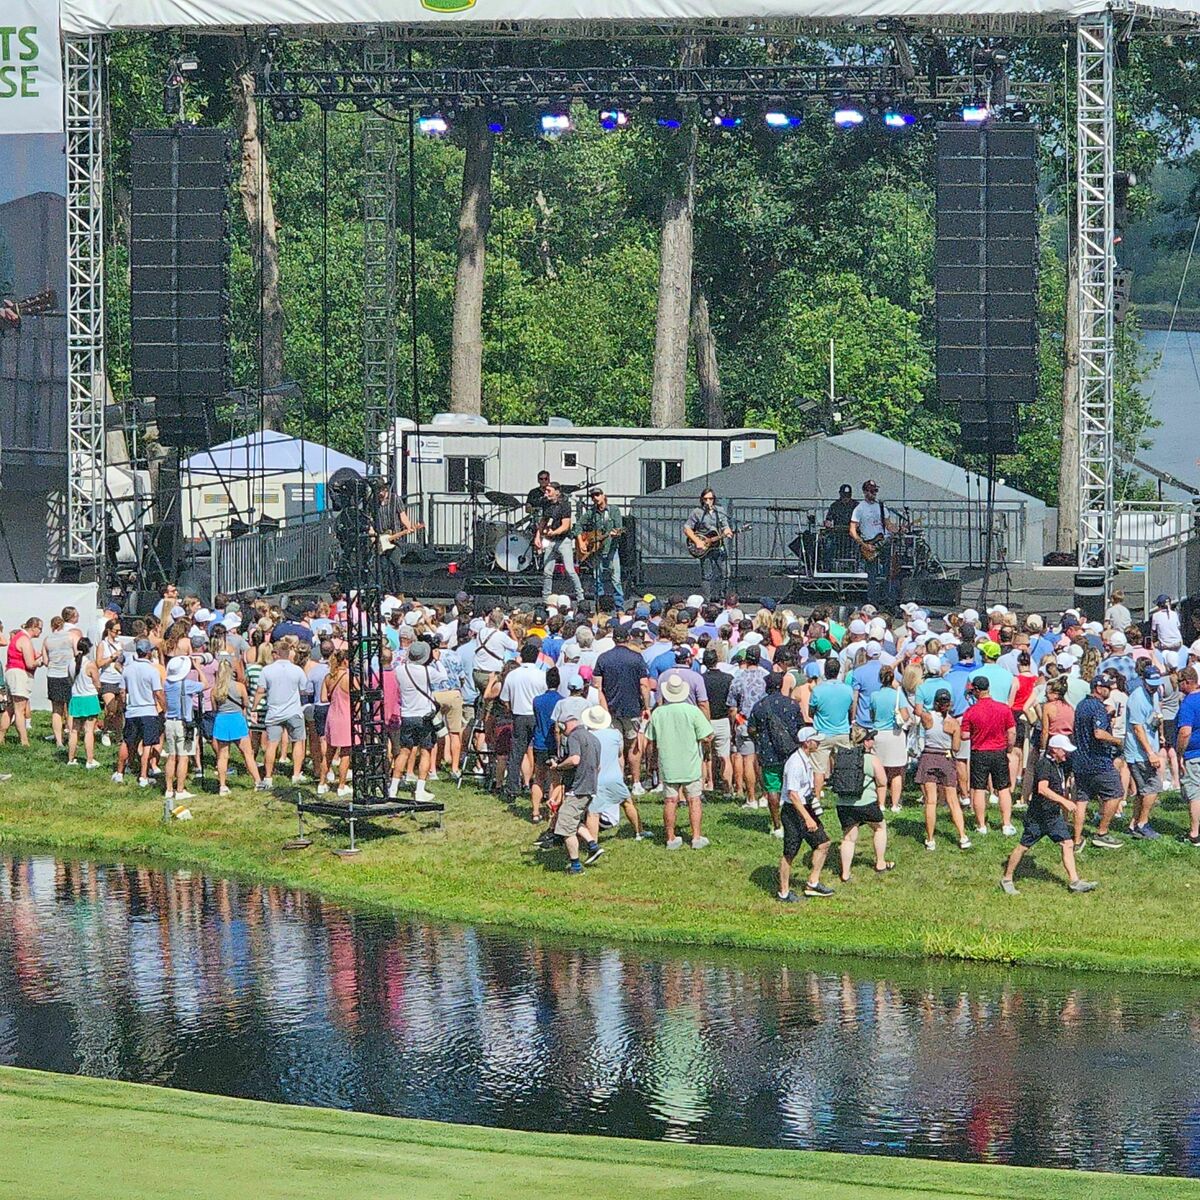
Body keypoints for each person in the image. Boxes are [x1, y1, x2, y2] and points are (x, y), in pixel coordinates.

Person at [1001, 734, 1099, 895]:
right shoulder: (1044, 765)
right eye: (1064, 751)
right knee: (1023, 847)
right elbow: (1042, 789)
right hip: (1038, 816)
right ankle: (1007, 878)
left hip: (1053, 816)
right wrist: (1064, 802)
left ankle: (1075, 881)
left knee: (1067, 843)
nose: (1066, 754)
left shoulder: (1058, 765)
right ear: (1054, 750)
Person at [645, 673, 713, 849]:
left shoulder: (658, 713)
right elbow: (707, 735)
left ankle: (670, 838)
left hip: (668, 762)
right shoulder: (692, 711)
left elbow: (650, 741)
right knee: (694, 799)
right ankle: (696, 837)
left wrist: (651, 762)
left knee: (670, 800)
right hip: (689, 761)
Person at [954, 674, 1016, 837]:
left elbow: (964, 735)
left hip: (979, 752)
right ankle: (1006, 824)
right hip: (999, 751)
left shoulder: (971, 711)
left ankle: (981, 825)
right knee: (1003, 788)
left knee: (979, 789)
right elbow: (1011, 732)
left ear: (976, 690)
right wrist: (1008, 749)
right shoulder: (1003, 708)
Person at [777, 727, 834, 902]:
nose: (818, 742)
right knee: (790, 853)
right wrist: (807, 818)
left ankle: (812, 883)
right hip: (794, 811)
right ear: (806, 742)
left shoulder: (806, 759)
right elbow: (793, 794)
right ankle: (784, 892)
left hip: (805, 807)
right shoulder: (794, 763)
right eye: (816, 740)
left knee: (823, 843)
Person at [593, 625, 651, 793]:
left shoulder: (603, 658)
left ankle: (618, 781)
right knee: (634, 746)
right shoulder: (636, 658)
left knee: (616, 747)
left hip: (610, 709)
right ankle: (636, 783)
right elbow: (644, 685)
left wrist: (603, 708)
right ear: (628, 638)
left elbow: (597, 686)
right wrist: (647, 707)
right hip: (632, 709)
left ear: (613, 639)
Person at [1072, 671, 1126, 849]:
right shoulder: (1098, 708)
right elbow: (1098, 733)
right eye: (1106, 687)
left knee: (1082, 800)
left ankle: (1077, 839)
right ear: (1097, 688)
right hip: (1097, 760)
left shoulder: (1081, 705)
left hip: (1080, 760)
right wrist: (1118, 741)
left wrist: (1106, 717)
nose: (1110, 689)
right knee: (1116, 792)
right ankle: (1102, 832)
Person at [747, 672, 802, 838]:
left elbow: (751, 729)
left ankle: (778, 825)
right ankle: (796, 821)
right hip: (790, 753)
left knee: (772, 788)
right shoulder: (792, 704)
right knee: (793, 787)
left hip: (768, 753)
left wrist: (759, 740)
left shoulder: (759, 706)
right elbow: (800, 727)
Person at [548, 709, 603, 874]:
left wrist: (558, 766)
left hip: (578, 789)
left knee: (565, 827)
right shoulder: (594, 739)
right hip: (590, 787)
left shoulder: (573, 737)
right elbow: (597, 766)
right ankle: (592, 846)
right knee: (572, 820)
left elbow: (575, 759)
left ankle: (576, 866)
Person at [916, 688, 970, 850]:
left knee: (931, 801)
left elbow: (917, 710)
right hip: (945, 759)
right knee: (953, 800)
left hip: (928, 757)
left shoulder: (927, 718)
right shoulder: (954, 723)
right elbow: (956, 747)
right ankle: (962, 836)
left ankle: (931, 839)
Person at [834, 733, 893, 881]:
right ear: (865, 742)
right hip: (866, 802)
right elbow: (883, 781)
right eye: (871, 738)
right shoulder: (871, 759)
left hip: (844, 803)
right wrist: (881, 802)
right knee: (880, 827)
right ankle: (880, 863)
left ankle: (845, 873)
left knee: (848, 838)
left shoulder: (841, 758)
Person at [581, 704, 646, 840]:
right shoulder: (615, 734)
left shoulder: (587, 737)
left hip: (597, 779)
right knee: (627, 803)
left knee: (593, 813)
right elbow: (619, 753)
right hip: (615, 777)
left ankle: (593, 843)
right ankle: (639, 832)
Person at [253, 641, 310, 789]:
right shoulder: (297, 670)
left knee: (272, 744)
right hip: (294, 711)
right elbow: (305, 690)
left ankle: (268, 777)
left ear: (276, 654)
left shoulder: (267, 670)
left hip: (274, 712)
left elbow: (260, 691)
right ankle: (296, 774)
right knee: (297, 742)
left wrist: (253, 708)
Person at [391, 639, 438, 803]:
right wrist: (437, 660)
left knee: (404, 751)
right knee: (426, 751)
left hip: (407, 714)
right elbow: (443, 678)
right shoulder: (428, 671)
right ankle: (420, 789)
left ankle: (393, 788)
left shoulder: (399, 670)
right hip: (424, 716)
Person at [113, 639, 164, 787]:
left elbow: (122, 692)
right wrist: (166, 709)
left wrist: (124, 706)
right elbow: (158, 693)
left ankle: (119, 772)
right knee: (147, 744)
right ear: (149, 653)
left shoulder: (127, 669)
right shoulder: (152, 670)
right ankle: (143, 776)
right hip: (148, 710)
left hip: (132, 710)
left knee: (127, 741)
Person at [500, 641, 548, 799]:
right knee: (541, 751)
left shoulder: (513, 675)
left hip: (519, 715)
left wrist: (511, 709)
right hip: (537, 715)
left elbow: (504, 699)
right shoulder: (541, 675)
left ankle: (512, 788)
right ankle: (542, 786)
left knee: (517, 753)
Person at [1124, 661, 1164, 840]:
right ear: (1143, 680)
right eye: (1151, 685)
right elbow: (1138, 728)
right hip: (1140, 752)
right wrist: (1150, 753)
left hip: (1151, 745)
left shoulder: (1154, 693)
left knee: (1142, 790)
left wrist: (1159, 734)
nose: (1154, 689)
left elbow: (1155, 716)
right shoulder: (1137, 698)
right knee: (1153, 787)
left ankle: (1134, 823)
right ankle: (1143, 823)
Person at [211, 658, 260, 795]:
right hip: (237, 720)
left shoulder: (215, 690)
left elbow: (214, 708)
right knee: (247, 754)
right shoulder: (239, 686)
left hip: (221, 720)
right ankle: (257, 781)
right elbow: (245, 702)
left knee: (222, 755)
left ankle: (222, 785)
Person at [848, 480, 899, 610]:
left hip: (883, 542)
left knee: (890, 572)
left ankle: (890, 601)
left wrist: (897, 529)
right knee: (872, 575)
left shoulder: (881, 506)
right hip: (869, 543)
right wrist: (863, 544)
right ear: (865, 492)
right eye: (871, 491)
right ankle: (872, 602)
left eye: (875, 491)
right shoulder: (859, 508)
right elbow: (852, 530)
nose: (874, 493)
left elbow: (888, 524)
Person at [534, 482, 585, 604]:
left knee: (570, 570)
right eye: (546, 491)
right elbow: (543, 521)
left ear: (557, 492)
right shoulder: (546, 504)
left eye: (549, 491)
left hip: (563, 541)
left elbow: (566, 526)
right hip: (551, 541)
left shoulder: (565, 505)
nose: (546, 493)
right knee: (547, 571)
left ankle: (580, 597)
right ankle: (546, 600)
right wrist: (537, 536)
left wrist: (554, 532)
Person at [577, 487, 625, 610]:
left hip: (611, 549)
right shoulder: (591, 512)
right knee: (597, 579)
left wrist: (616, 533)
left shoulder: (613, 510)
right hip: (597, 550)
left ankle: (619, 607)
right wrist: (581, 541)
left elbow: (619, 528)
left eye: (597, 495)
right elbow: (578, 525)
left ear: (603, 495)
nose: (595, 498)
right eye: (593, 496)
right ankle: (601, 605)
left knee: (616, 579)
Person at [684, 488, 733, 602]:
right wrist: (697, 541)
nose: (708, 501)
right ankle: (707, 601)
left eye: (710, 499)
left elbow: (725, 525)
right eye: (705, 499)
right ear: (702, 500)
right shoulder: (697, 512)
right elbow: (687, 528)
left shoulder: (719, 511)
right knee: (707, 575)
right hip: (704, 547)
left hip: (718, 545)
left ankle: (722, 598)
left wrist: (728, 531)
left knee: (726, 572)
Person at [1, 618, 42, 747]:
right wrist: (40, 662)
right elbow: (30, 663)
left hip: (11, 673)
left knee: (10, 708)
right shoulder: (25, 639)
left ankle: (1, 737)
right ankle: (24, 741)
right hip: (19, 674)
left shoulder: (18, 637)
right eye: (40, 628)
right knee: (20, 710)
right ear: (33, 627)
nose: (41, 631)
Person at [66, 638, 103, 769]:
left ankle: (71, 759)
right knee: (89, 731)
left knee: (74, 730)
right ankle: (90, 760)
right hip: (89, 698)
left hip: (76, 698)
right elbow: (97, 683)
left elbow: (70, 679)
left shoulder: (71, 663)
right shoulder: (90, 665)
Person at [1175, 665, 1200, 847]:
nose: (1177, 686)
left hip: (1193, 754)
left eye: (1179, 682)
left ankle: (1194, 833)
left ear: (1188, 682)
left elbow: (1185, 732)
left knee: (1194, 794)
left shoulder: (1188, 703)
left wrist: (1179, 754)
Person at [43, 616, 76, 749]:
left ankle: (59, 741)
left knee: (56, 710)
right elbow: (76, 654)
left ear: (52, 626)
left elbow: (45, 661)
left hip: (53, 675)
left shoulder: (47, 640)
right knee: (70, 708)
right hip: (67, 675)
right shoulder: (70, 637)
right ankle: (71, 736)